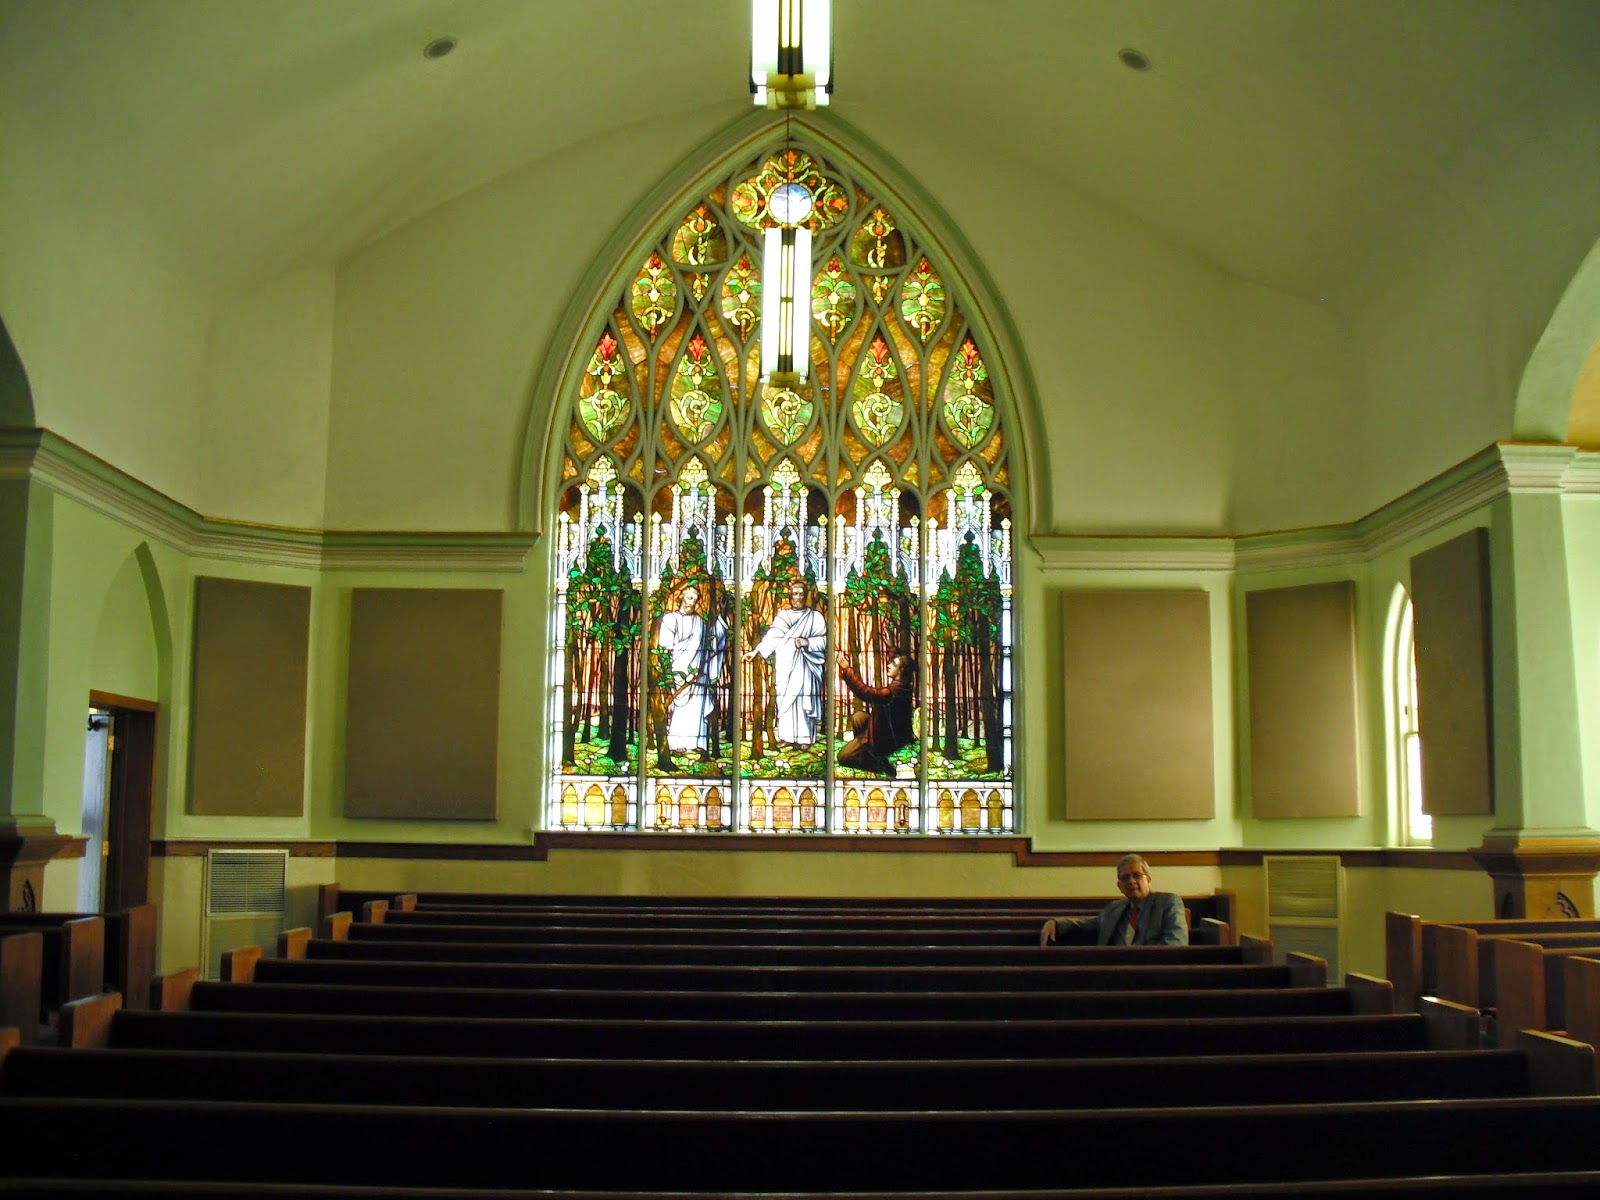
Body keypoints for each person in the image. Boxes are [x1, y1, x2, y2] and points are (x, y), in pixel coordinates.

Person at [744, 578, 827, 748]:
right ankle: (787, 736)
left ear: (806, 596)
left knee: (803, 700)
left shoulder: (815, 617)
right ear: (790, 596)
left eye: (801, 594)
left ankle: (804, 739)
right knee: (786, 700)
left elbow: (824, 641)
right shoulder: (783, 615)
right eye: (794, 594)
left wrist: (807, 643)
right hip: (785, 664)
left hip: (806, 666)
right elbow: (773, 636)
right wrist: (756, 651)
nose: (798, 597)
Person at [1038, 854, 1188, 946]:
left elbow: (1176, 943)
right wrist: (1055, 923)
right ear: (1119, 886)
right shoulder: (1114, 909)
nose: (1131, 881)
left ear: (1148, 880)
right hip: (1113, 972)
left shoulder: (1168, 903)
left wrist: (1139, 963)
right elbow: (1086, 925)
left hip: (1153, 974)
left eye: (1136, 875)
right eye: (1125, 878)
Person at [656, 583, 726, 754]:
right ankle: (676, 744)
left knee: (696, 707)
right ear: (681, 598)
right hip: (678, 670)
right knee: (680, 708)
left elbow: (711, 641)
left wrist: (722, 616)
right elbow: (665, 646)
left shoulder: (700, 622)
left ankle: (697, 743)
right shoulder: (670, 619)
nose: (692, 602)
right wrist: (668, 672)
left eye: (695, 599)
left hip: (698, 673)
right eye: (689, 597)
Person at [837, 652, 917, 775]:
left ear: (900, 671)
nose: (889, 666)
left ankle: (880, 764)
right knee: (859, 717)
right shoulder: (904, 687)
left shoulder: (890, 693)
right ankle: (867, 751)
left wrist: (847, 669)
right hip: (889, 732)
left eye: (893, 664)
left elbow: (864, 692)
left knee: (843, 757)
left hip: (885, 740)